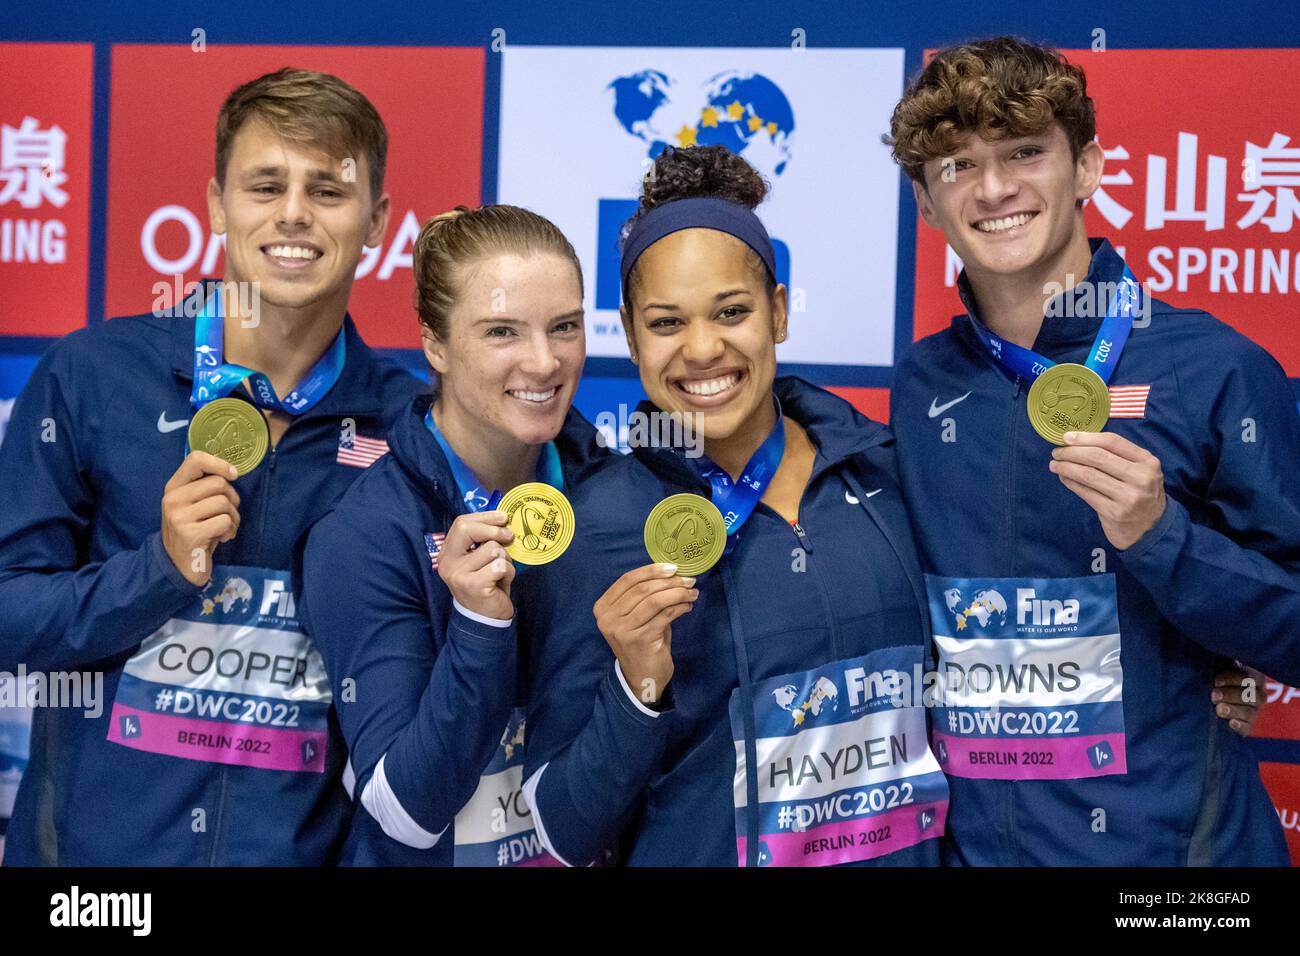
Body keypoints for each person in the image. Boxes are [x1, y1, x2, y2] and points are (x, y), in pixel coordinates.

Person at [885, 36, 1299, 865]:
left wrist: (1163, 538)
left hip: (1178, 865)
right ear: (927, 206)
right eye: (958, 166)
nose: (995, 187)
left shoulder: (1211, 368)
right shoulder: (923, 386)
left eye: (1025, 153)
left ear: (1088, 168)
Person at [0, 68, 422, 865]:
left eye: (328, 191)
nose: (293, 213)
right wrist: (158, 569)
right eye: (265, 186)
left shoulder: (410, 430)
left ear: (378, 221)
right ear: (217, 204)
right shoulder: (92, 376)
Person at [523, 145, 949, 867]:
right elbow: (562, 830)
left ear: (777, 312)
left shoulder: (888, 472)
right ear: (629, 336)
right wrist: (636, 687)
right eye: (665, 323)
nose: (702, 349)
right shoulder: (597, 529)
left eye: (731, 312)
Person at [300, 205, 606, 865]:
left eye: (565, 327)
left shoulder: (611, 496)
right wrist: (479, 627)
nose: (544, 361)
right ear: (435, 344)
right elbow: (408, 813)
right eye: (502, 331)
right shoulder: (366, 532)